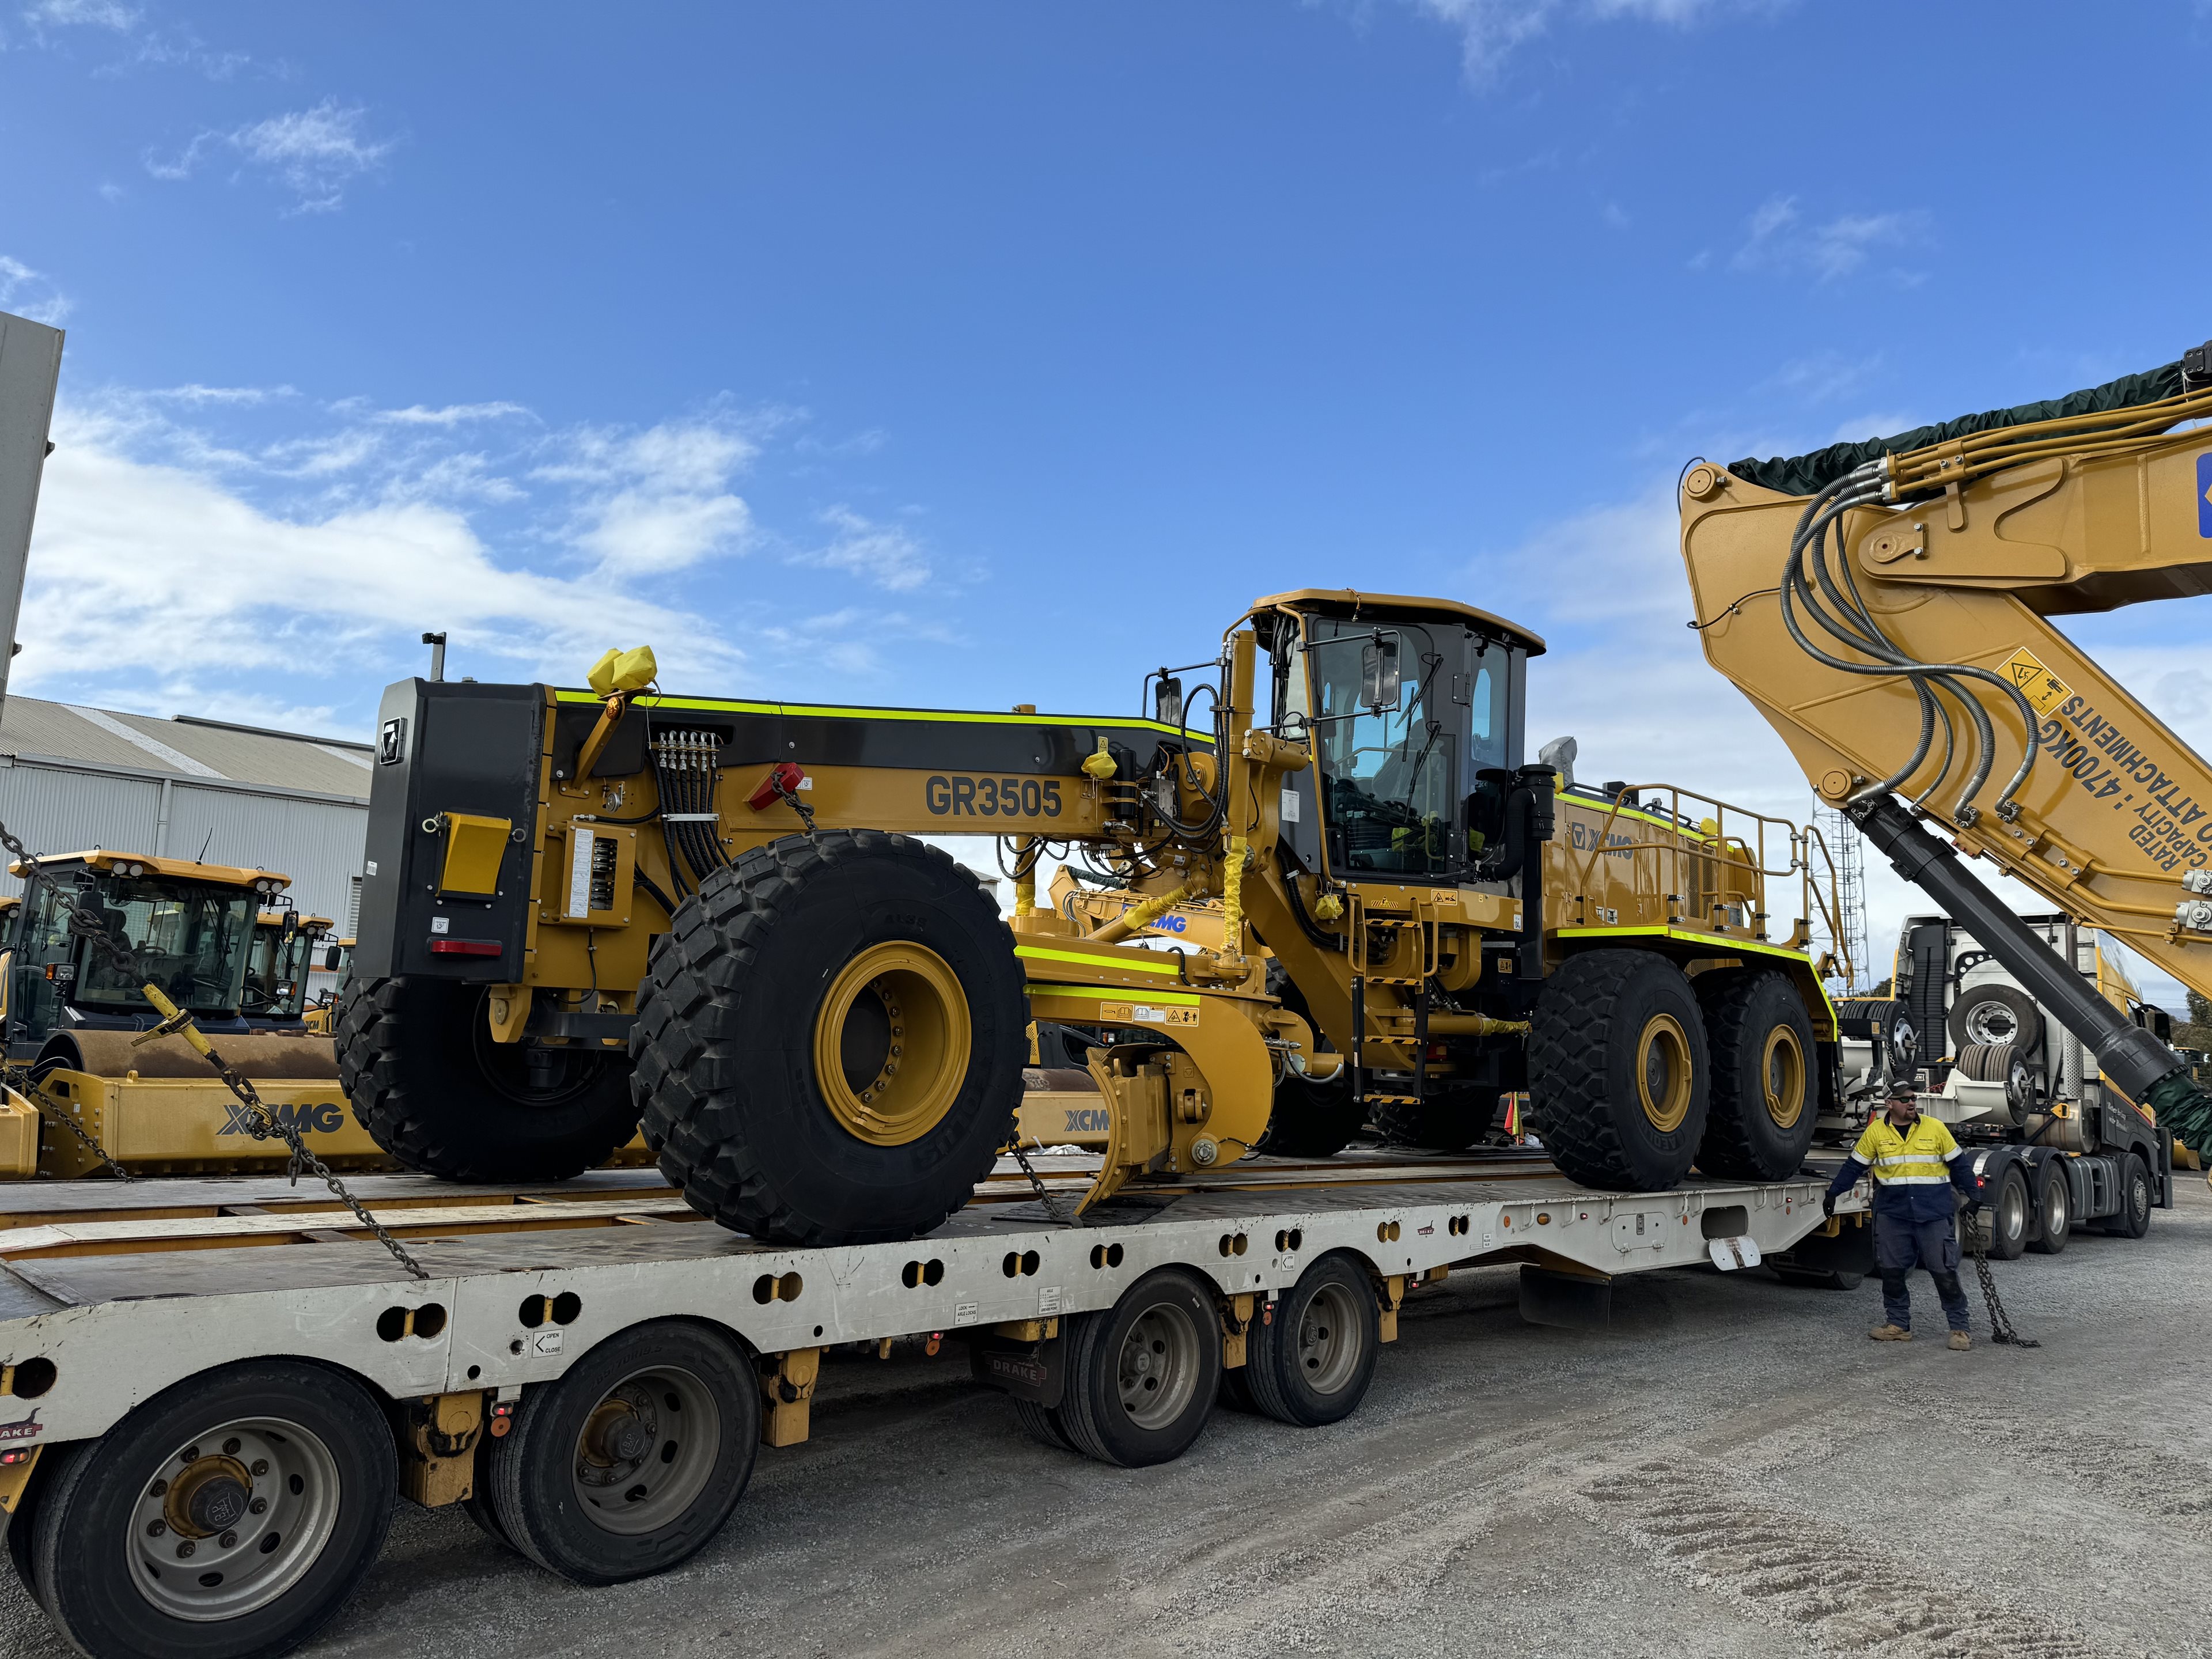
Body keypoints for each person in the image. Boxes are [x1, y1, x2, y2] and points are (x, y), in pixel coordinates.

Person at [1823, 1080, 1979, 1350]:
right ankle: (1898, 1325)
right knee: (1892, 1272)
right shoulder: (1875, 1133)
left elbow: (1959, 1166)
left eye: (1913, 1098)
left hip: (1932, 1214)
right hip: (1894, 1214)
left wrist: (1974, 1195)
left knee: (1943, 1271)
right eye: (1904, 1099)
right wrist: (1834, 1193)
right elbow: (1854, 1167)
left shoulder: (1935, 1128)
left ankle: (1959, 1328)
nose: (1911, 1103)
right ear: (1889, 1104)